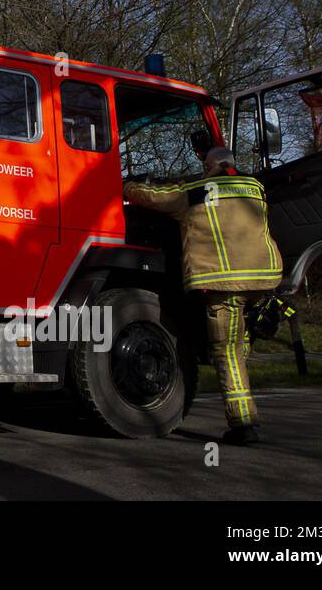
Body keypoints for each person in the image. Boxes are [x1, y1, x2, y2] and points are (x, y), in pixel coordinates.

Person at [124, 146, 283, 445]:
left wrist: (129, 186)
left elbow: (153, 198)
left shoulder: (195, 190)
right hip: (263, 280)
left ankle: (243, 424)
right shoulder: (255, 187)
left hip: (224, 284)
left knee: (227, 352)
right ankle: (244, 364)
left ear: (208, 165)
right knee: (241, 341)